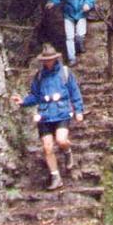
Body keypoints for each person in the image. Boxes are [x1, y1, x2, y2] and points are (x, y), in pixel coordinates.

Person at [12, 44, 84, 190]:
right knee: (47, 147)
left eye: (50, 59)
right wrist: (23, 102)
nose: (47, 62)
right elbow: (35, 95)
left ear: (55, 59)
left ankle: (68, 151)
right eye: (45, 60)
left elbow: (74, 91)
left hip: (62, 112)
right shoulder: (39, 76)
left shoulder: (65, 72)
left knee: (61, 140)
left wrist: (78, 110)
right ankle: (55, 176)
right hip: (45, 115)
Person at [46, 0, 95, 66]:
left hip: (81, 13)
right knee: (69, 37)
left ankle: (80, 44)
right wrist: (52, 2)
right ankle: (72, 58)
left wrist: (88, 4)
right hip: (68, 13)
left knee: (80, 35)